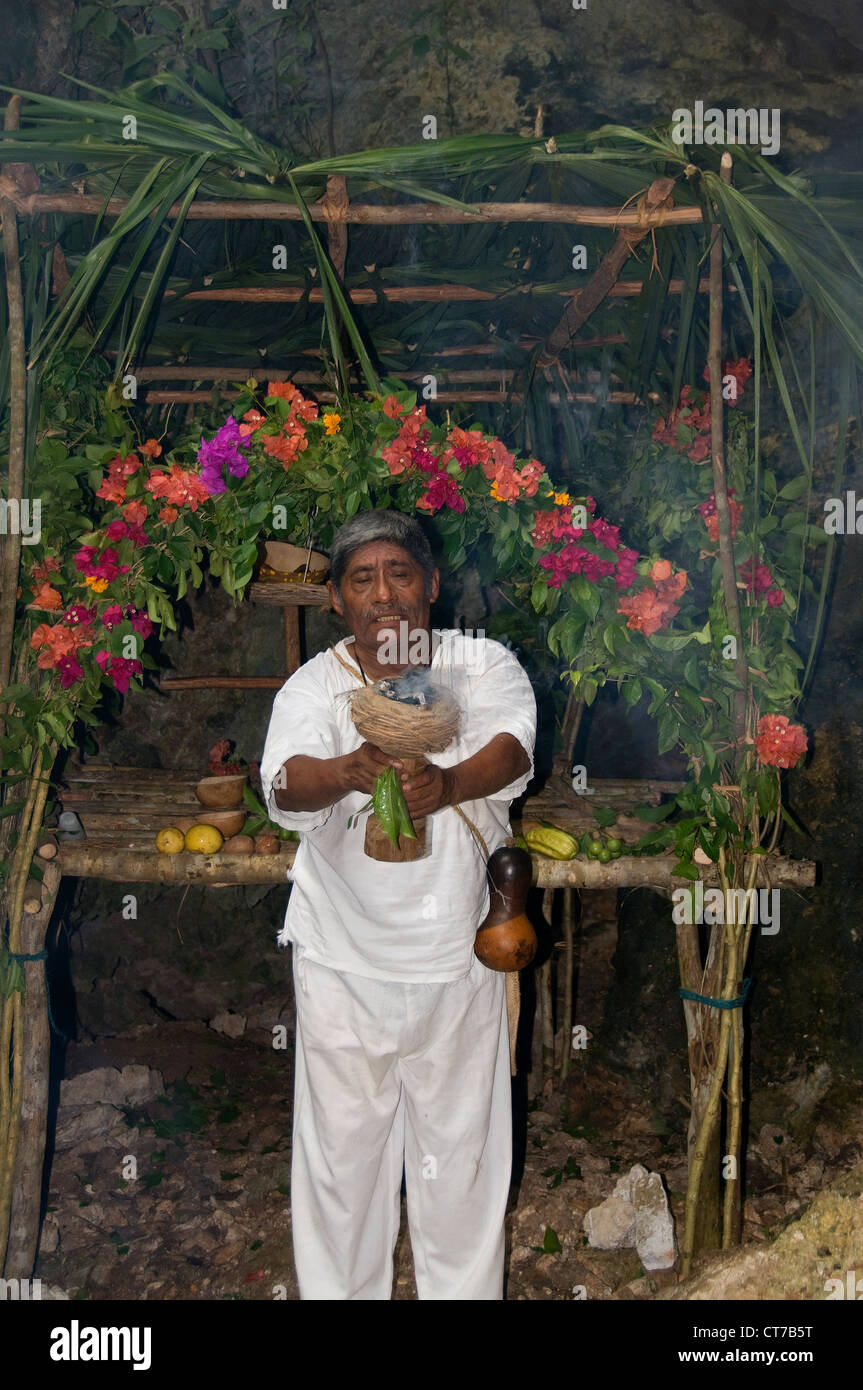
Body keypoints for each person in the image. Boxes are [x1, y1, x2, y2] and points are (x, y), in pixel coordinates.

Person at [260, 508, 537, 1300]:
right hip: (342, 962)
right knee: (342, 1170)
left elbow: (512, 749)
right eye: (361, 579)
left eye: (401, 574)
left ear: (432, 587)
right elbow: (281, 784)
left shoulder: (480, 665)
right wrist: (344, 770)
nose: (384, 594)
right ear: (338, 601)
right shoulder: (314, 686)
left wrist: (448, 784)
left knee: (461, 1166)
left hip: (459, 960)